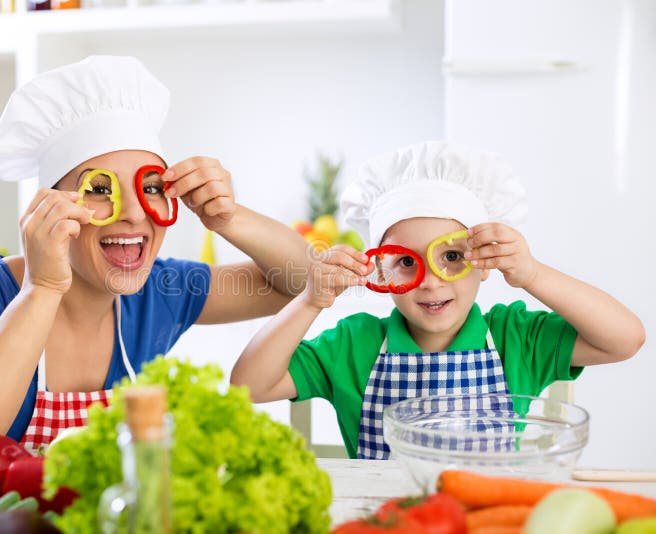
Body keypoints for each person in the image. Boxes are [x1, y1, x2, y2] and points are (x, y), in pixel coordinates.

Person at [0, 56, 312, 479]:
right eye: (99, 189)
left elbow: (301, 282)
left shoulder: (160, 289)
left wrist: (228, 217)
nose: (136, 215)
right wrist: (41, 288)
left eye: (151, 187)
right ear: (49, 205)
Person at [231, 140, 646, 460]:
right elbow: (248, 387)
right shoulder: (353, 345)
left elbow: (625, 338)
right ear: (377, 270)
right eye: (405, 262)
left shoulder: (514, 336)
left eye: (451, 257)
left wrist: (532, 273)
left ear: (485, 262)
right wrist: (308, 300)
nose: (430, 282)